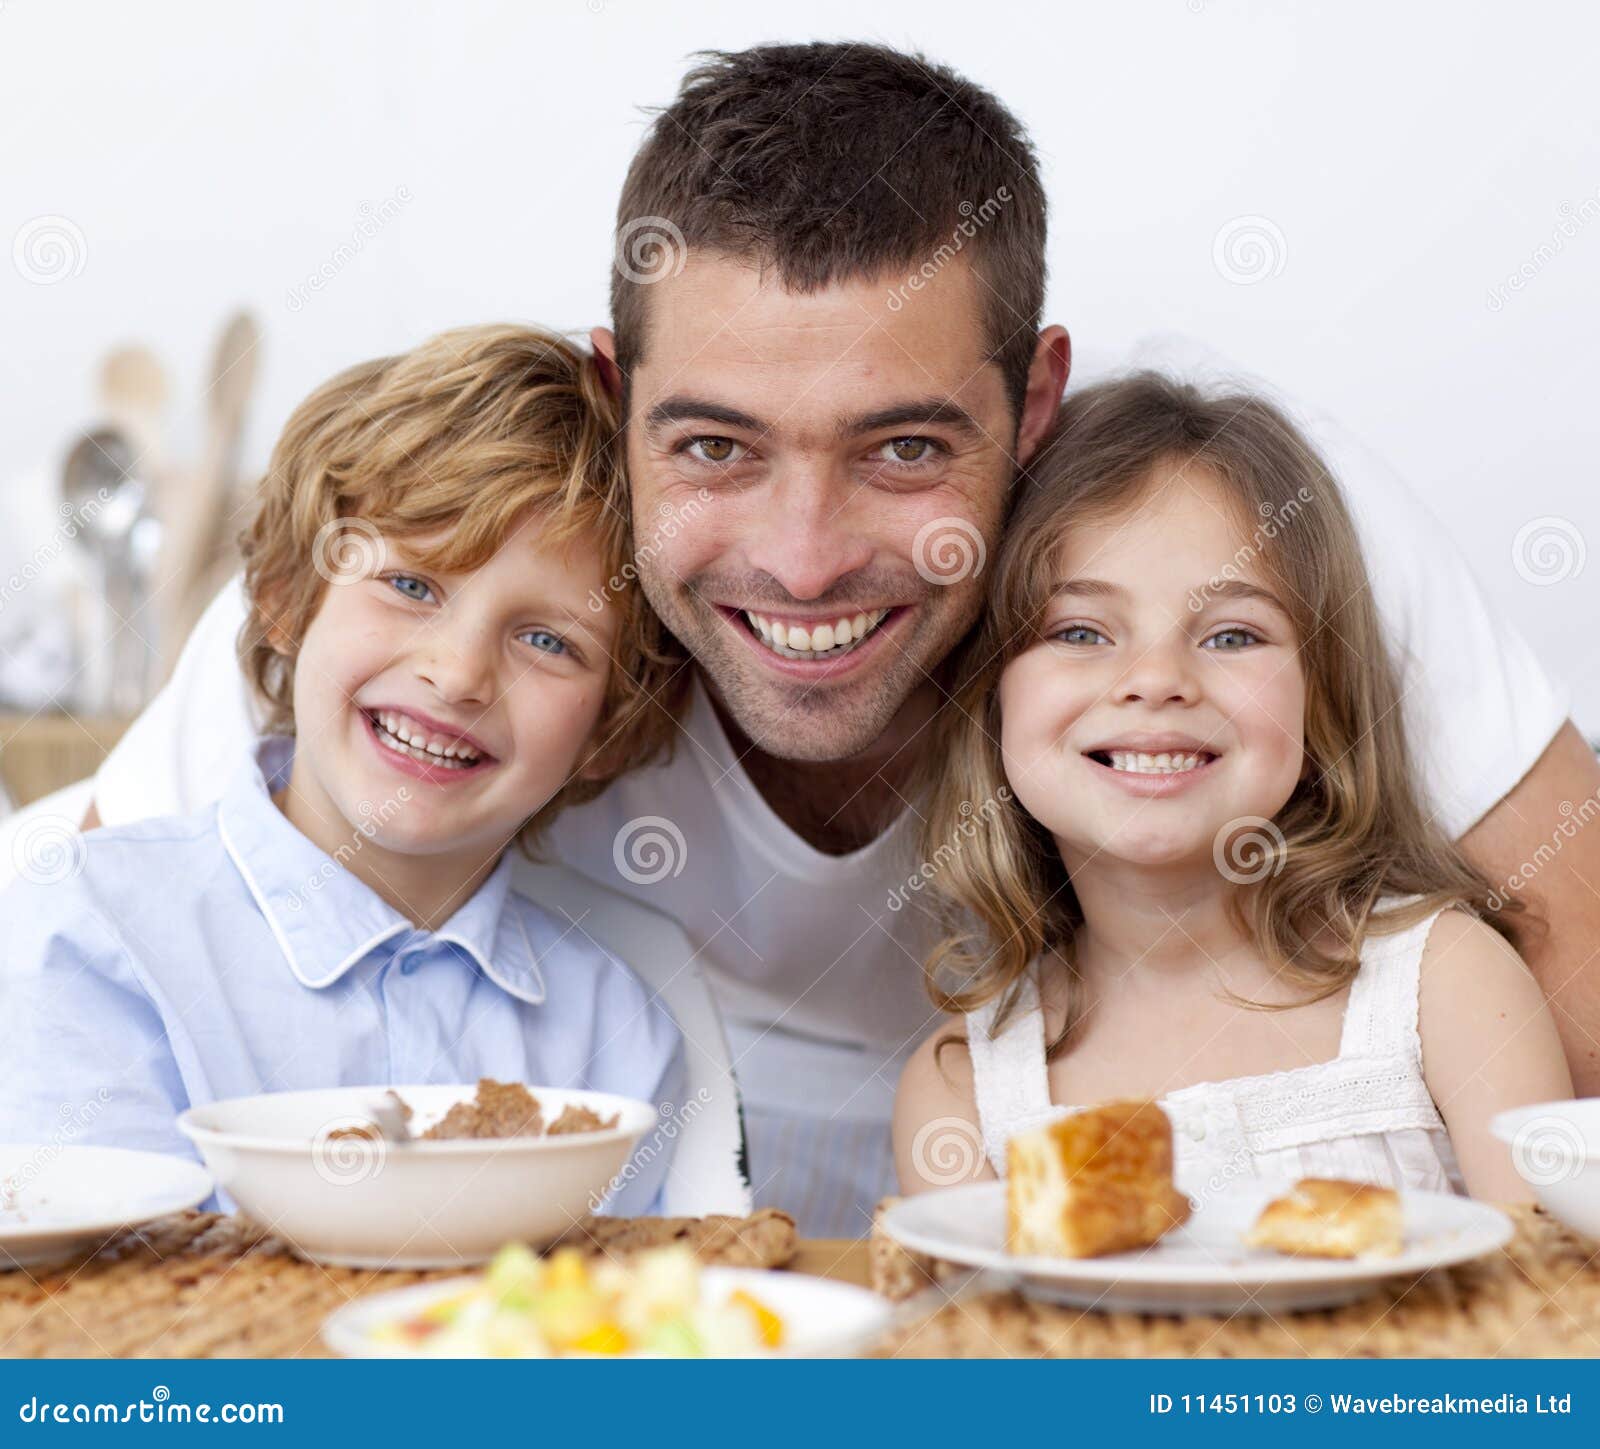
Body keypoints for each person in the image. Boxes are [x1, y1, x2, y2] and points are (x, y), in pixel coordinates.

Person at [71, 44, 1600, 1236]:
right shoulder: (442, 565)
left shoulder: (1232, 534)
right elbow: (114, 926)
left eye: (904, 450)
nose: (804, 563)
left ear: (1037, 399)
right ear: (618, 395)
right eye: (719, 448)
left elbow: (1573, 931)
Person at [0, 325, 687, 1214]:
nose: (459, 673)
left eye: (548, 639)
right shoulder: (87, 939)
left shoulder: (619, 1035)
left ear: (609, 730)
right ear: (287, 597)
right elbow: (88, 1321)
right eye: (411, 585)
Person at [893, 373, 1573, 1202]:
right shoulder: (962, 1090)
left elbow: (1550, 1307)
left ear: (1320, 694)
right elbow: (984, 1333)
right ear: (992, 701)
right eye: (1078, 630)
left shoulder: (1448, 984)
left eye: (1231, 633)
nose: (1156, 679)